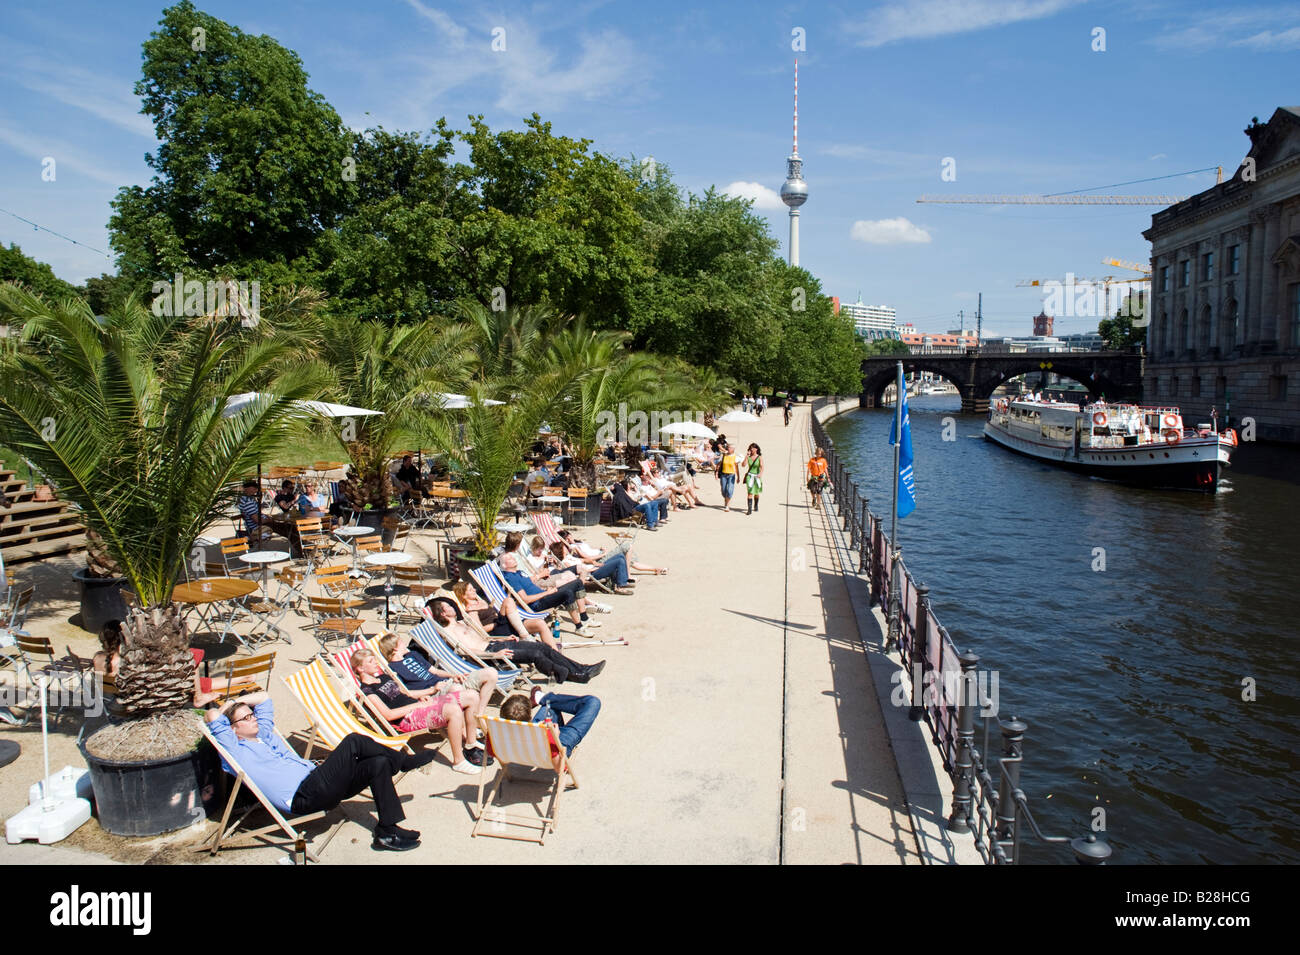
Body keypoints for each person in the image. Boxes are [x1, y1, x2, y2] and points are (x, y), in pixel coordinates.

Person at [207, 692, 433, 851]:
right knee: (354, 741)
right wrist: (231, 708)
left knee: (378, 764)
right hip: (304, 795)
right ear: (233, 728)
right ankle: (403, 762)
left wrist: (239, 701)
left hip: (318, 782)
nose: (253, 718)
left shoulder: (263, 735)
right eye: (246, 718)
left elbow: (264, 697)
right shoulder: (234, 749)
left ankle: (387, 831)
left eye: (252, 714)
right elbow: (212, 716)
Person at [350, 647, 485, 774]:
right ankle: (458, 761)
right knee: (453, 710)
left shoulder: (383, 677)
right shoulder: (367, 691)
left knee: (472, 696)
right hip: (407, 719)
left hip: (419, 706)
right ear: (360, 668)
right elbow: (388, 715)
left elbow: (407, 694)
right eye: (370, 661)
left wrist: (427, 693)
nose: (376, 662)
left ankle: (470, 743)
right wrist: (417, 706)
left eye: (374, 659)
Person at [426, 596, 604, 686]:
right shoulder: (447, 631)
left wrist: (503, 638)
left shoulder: (460, 622)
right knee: (535, 654)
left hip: (496, 644)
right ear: (442, 613)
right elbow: (465, 651)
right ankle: (575, 675)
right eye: (448, 607)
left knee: (541, 646)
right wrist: (495, 654)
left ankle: (581, 668)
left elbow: (482, 637)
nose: (452, 607)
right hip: (490, 655)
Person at [498, 552, 600, 634]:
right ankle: (579, 627)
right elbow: (525, 599)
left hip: (545, 595)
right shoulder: (511, 578)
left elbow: (529, 581)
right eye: (510, 559)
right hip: (539, 603)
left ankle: (584, 618)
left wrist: (541, 575)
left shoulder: (518, 573)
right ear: (504, 565)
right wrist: (547, 592)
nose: (514, 558)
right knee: (567, 593)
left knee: (577, 583)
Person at [499, 686, 600, 763]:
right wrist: (554, 736)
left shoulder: (495, 732)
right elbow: (559, 766)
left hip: (534, 740)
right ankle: (542, 698)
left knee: (548, 706)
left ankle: (542, 698)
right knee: (593, 702)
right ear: (530, 717)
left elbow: (493, 753)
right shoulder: (545, 735)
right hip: (558, 742)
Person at [449, 579, 555, 646]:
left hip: (507, 623)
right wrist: (495, 624)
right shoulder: (471, 610)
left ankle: (555, 655)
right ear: (463, 595)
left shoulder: (479, 601)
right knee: (508, 601)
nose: (475, 591)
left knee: (540, 623)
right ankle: (524, 636)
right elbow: (480, 630)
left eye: (473, 588)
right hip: (498, 630)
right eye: (471, 590)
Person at [717, 442, 739, 512]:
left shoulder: (735, 457)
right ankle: (726, 500)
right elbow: (719, 464)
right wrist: (716, 472)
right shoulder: (724, 455)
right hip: (723, 475)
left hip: (731, 475)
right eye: (728, 447)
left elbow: (737, 468)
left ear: (733, 449)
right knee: (723, 491)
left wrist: (738, 477)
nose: (727, 448)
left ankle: (727, 505)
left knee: (729, 490)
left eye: (729, 447)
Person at [743, 443, 764, 514]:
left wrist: (760, 473)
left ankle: (756, 505)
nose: (751, 449)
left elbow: (762, 467)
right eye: (750, 448)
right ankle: (749, 509)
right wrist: (746, 456)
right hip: (750, 476)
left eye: (753, 448)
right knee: (750, 492)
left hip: (757, 476)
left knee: (756, 493)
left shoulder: (759, 457)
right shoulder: (748, 457)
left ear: (756, 449)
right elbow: (743, 465)